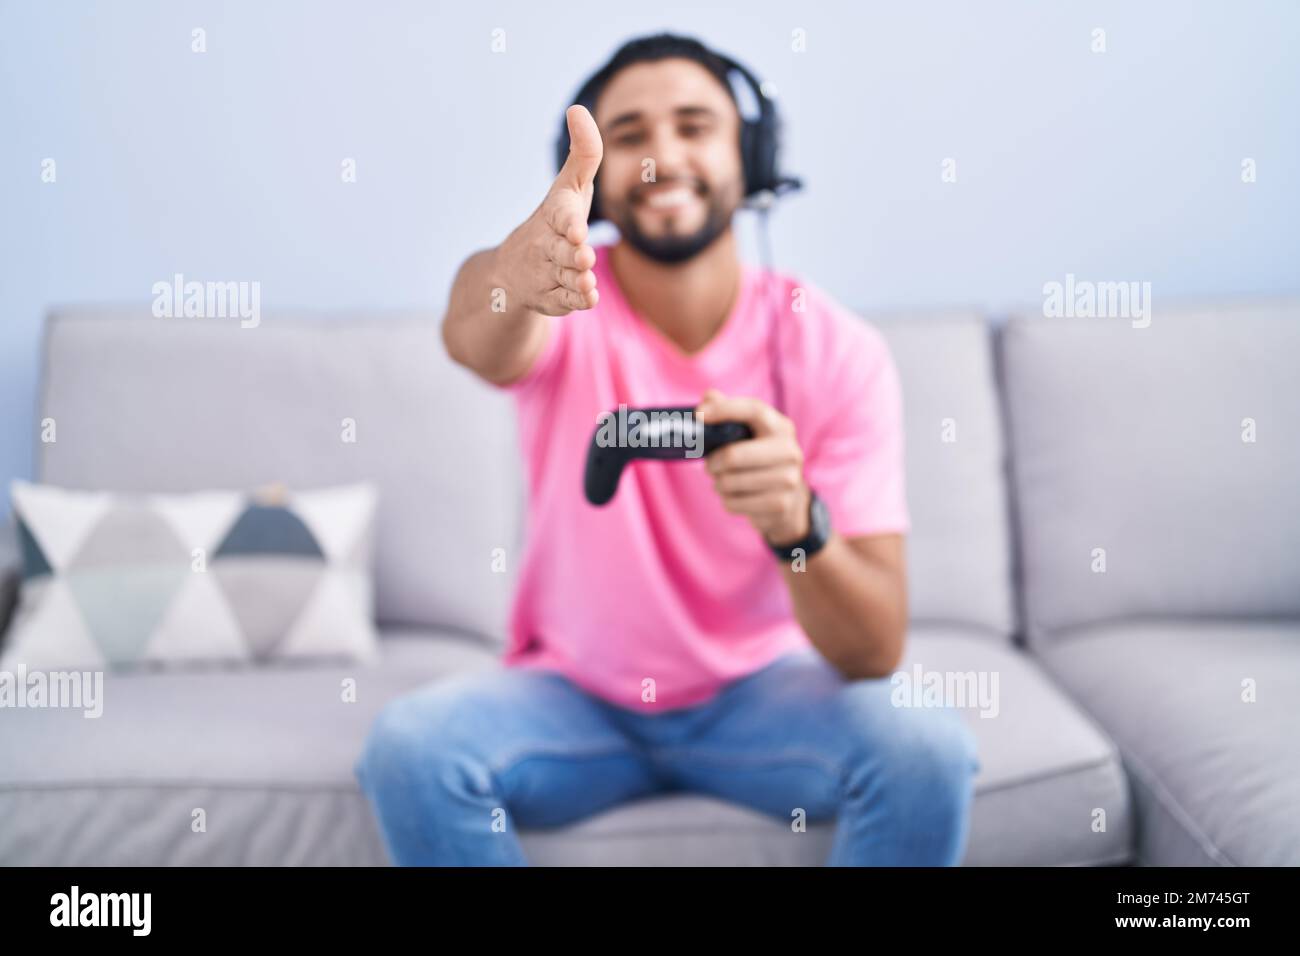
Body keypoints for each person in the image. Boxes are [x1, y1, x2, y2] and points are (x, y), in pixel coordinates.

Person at [355, 32, 979, 866]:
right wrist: (511, 270)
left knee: (925, 751)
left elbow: (873, 650)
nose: (662, 158)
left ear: (750, 154)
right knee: (410, 750)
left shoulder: (836, 349)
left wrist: (797, 525)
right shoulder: (559, 300)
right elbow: (474, 337)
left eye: (694, 126)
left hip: (761, 698)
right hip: (576, 697)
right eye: (632, 136)